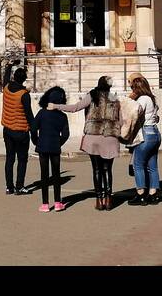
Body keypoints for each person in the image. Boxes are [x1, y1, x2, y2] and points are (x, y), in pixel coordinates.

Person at [51, 75, 122, 210]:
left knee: (96, 169)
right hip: (110, 137)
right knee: (107, 169)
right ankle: (108, 200)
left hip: (93, 136)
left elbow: (75, 107)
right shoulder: (114, 98)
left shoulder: (92, 95)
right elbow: (121, 120)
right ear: (110, 86)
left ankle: (99, 200)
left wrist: (56, 106)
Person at [31, 86, 70, 212]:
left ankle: (45, 204)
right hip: (55, 147)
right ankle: (58, 202)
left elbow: (33, 128)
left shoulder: (42, 113)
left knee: (44, 175)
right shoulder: (62, 116)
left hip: (42, 146)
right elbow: (65, 134)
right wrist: (59, 143)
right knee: (56, 175)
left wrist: (36, 141)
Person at [1, 67, 35, 195]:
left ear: (14, 77)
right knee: (22, 159)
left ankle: (9, 187)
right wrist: (34, 132)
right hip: (21, 131)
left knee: (10, 159)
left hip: (8, 130)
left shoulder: (6, 88)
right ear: (24, 80)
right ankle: (19, 186)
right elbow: (29, 115)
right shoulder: (24, 95)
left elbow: (5, 78)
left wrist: (8, 66)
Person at [127, 75, 160, 205]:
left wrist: (130, 99)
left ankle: (140, 194)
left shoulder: (142, 99)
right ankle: (153, 194)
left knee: (138, 165)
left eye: (133, 87)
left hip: (145, 133)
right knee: (152, 166)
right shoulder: (152, 98)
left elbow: (134, 114)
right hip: (155, 133)